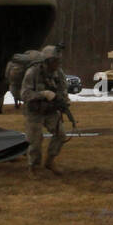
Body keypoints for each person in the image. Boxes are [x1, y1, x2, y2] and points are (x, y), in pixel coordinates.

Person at [20, 44, 74, 176]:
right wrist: (43, 94)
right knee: (35, 141)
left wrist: (64, 100)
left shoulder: (58, 73)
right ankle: (33, 167)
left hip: (50, 110)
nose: (57, 64)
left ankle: (50, 161)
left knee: (61, 135)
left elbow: (62, 89)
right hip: (34, 111)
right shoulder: (32, 73)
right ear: (47, 61)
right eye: (55, 61)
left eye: (58, 61)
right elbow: (24, 94)